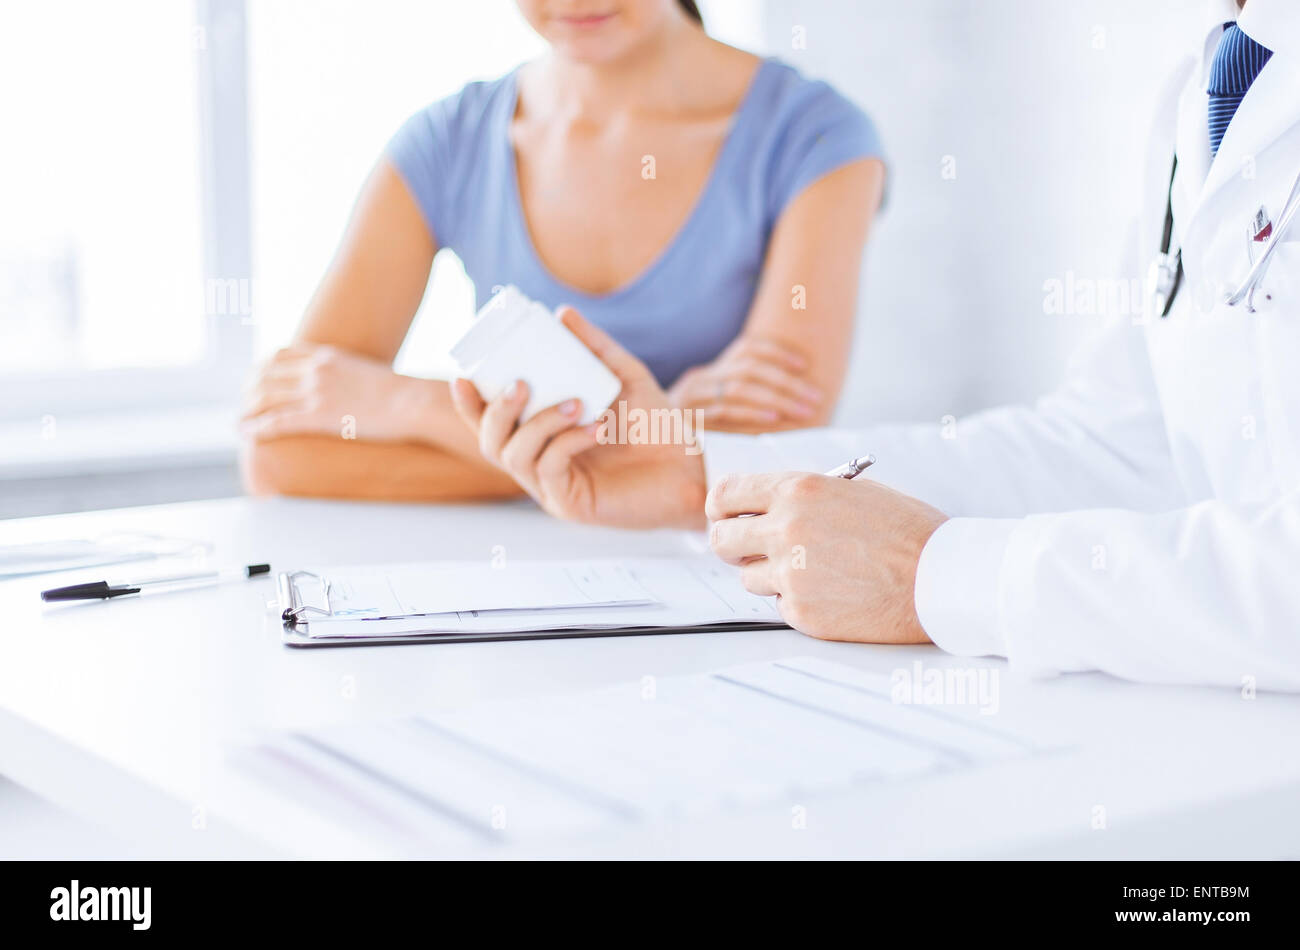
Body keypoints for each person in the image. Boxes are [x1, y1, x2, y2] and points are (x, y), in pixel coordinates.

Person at [451, 0, 1300, 690]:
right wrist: (707, 474)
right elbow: (1121, 445)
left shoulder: (810, 130)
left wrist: (940, 577)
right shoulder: (1210, 82)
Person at [240, 0, 885, 502]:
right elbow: (282, 451)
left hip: (728, 589)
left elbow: (772, 439)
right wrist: (659, 428)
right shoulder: (447, 142)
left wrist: (403, 404)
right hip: (517, 598)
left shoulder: (818, 138)